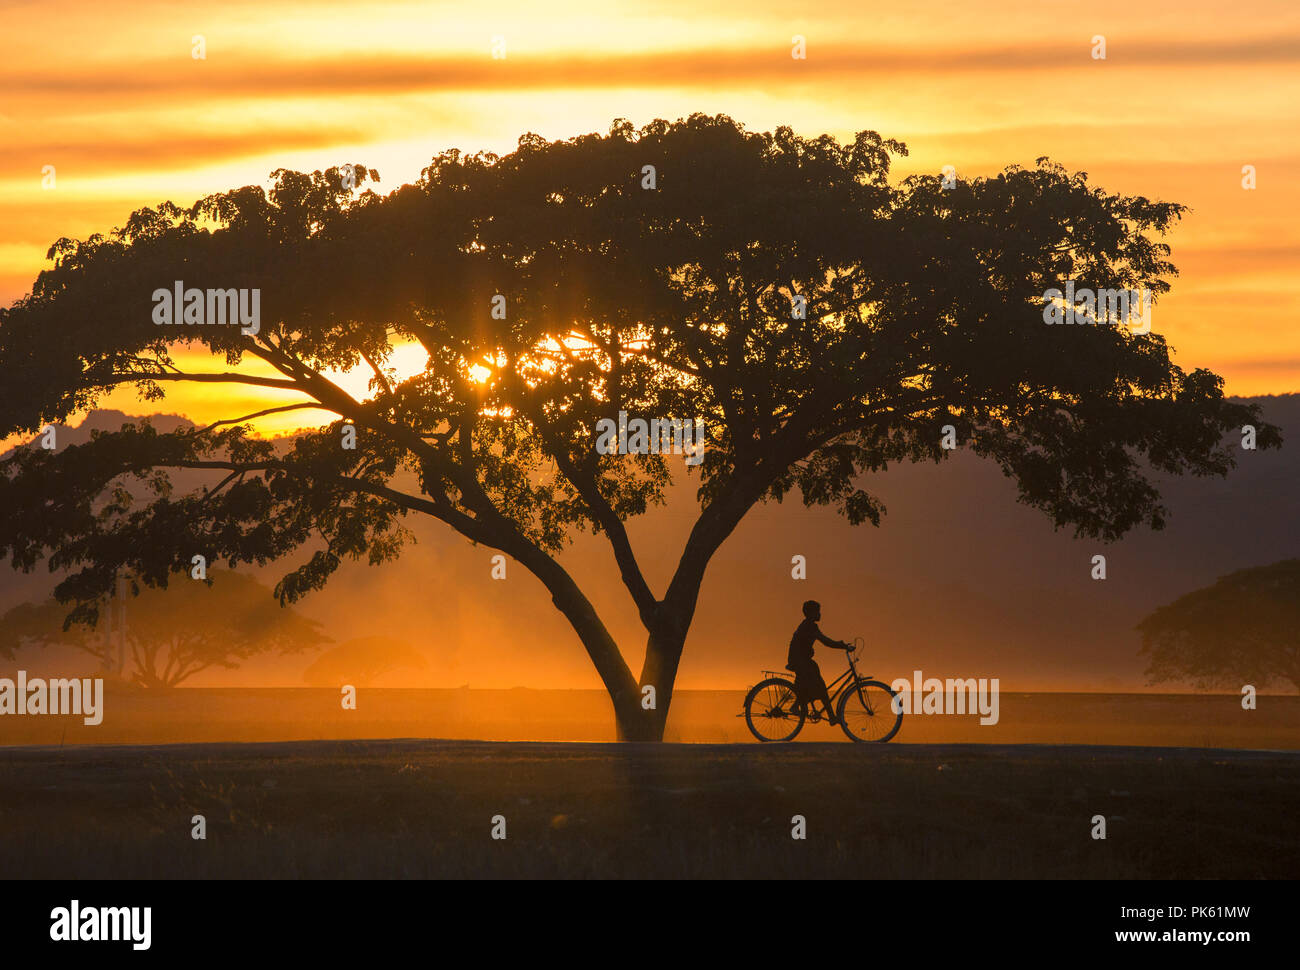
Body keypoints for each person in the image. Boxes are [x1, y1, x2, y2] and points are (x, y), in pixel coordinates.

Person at [786, 600, 852, 726]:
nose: (820, 614)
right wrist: (842, 645)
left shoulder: (809, 625)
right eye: (818, 611)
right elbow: (825, 641)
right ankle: (831, 717)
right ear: (811, 613)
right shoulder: (809, 626)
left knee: (817, 686)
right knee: (820, 688)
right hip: (800, 660)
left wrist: (840, 644)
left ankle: (801, 706)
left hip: (801, 659)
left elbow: (823, 639)